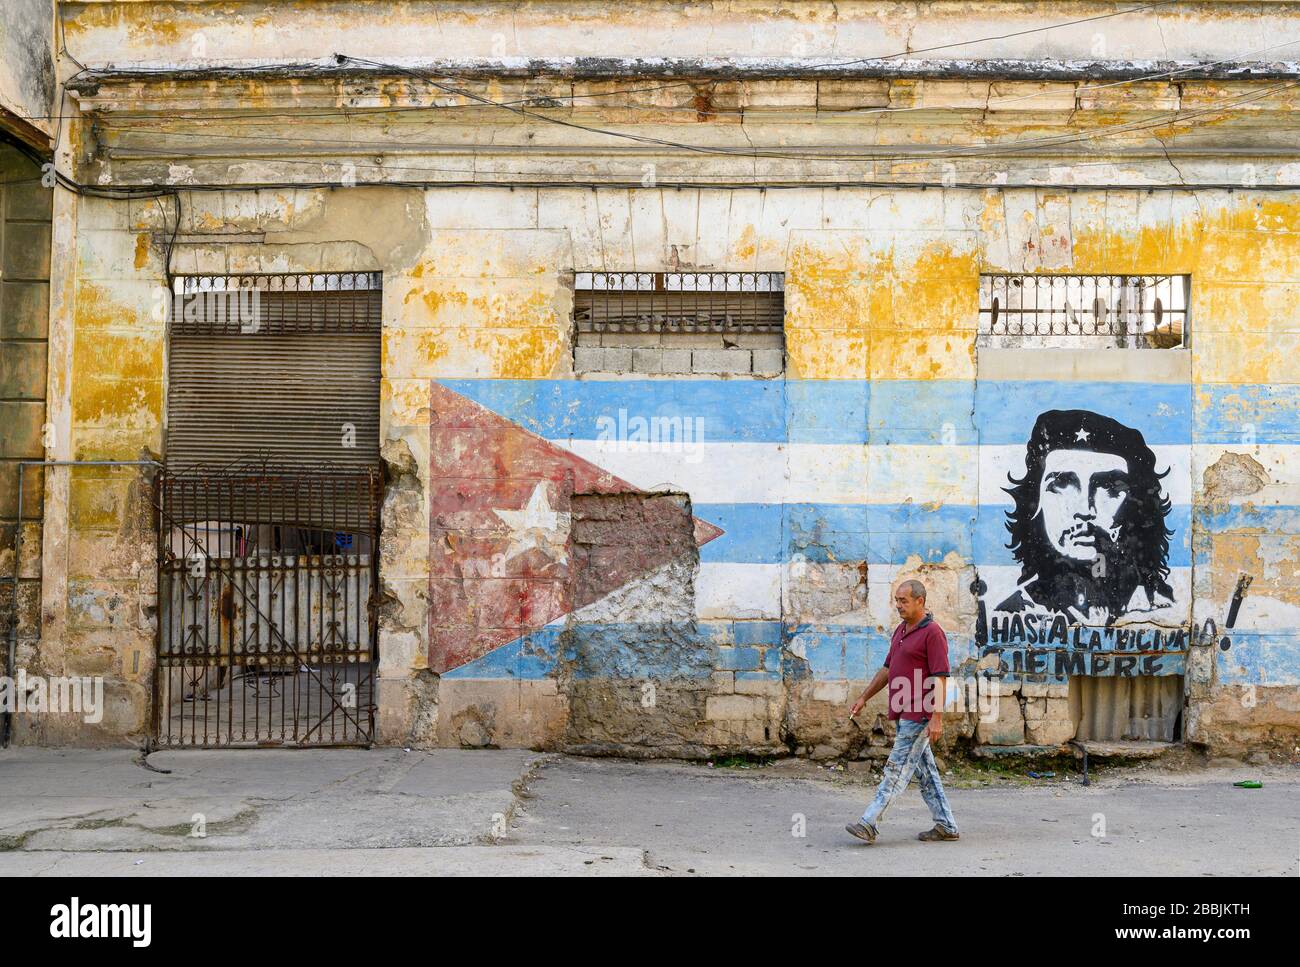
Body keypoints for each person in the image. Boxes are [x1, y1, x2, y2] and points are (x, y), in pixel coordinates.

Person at [996, 408, 1175, 624]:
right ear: (1034, 503)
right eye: (1061, 484)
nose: (1085, 509)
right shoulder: (1014, 614)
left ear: (1140, 508)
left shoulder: (1159, 612)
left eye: (1110, 486)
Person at [844, 579, 959, 844]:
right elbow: (887, 669)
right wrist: (863, 697)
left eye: (903, 600)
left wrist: (936, 718)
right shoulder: (901, 630)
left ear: (920, 601)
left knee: (896, 769)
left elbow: (940, 678)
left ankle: (869, 822)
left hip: (920, 713)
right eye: (896, 600)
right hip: (904, 712)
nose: (898, 605)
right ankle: (947, 825)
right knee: (926, 772)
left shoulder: (933, 633)